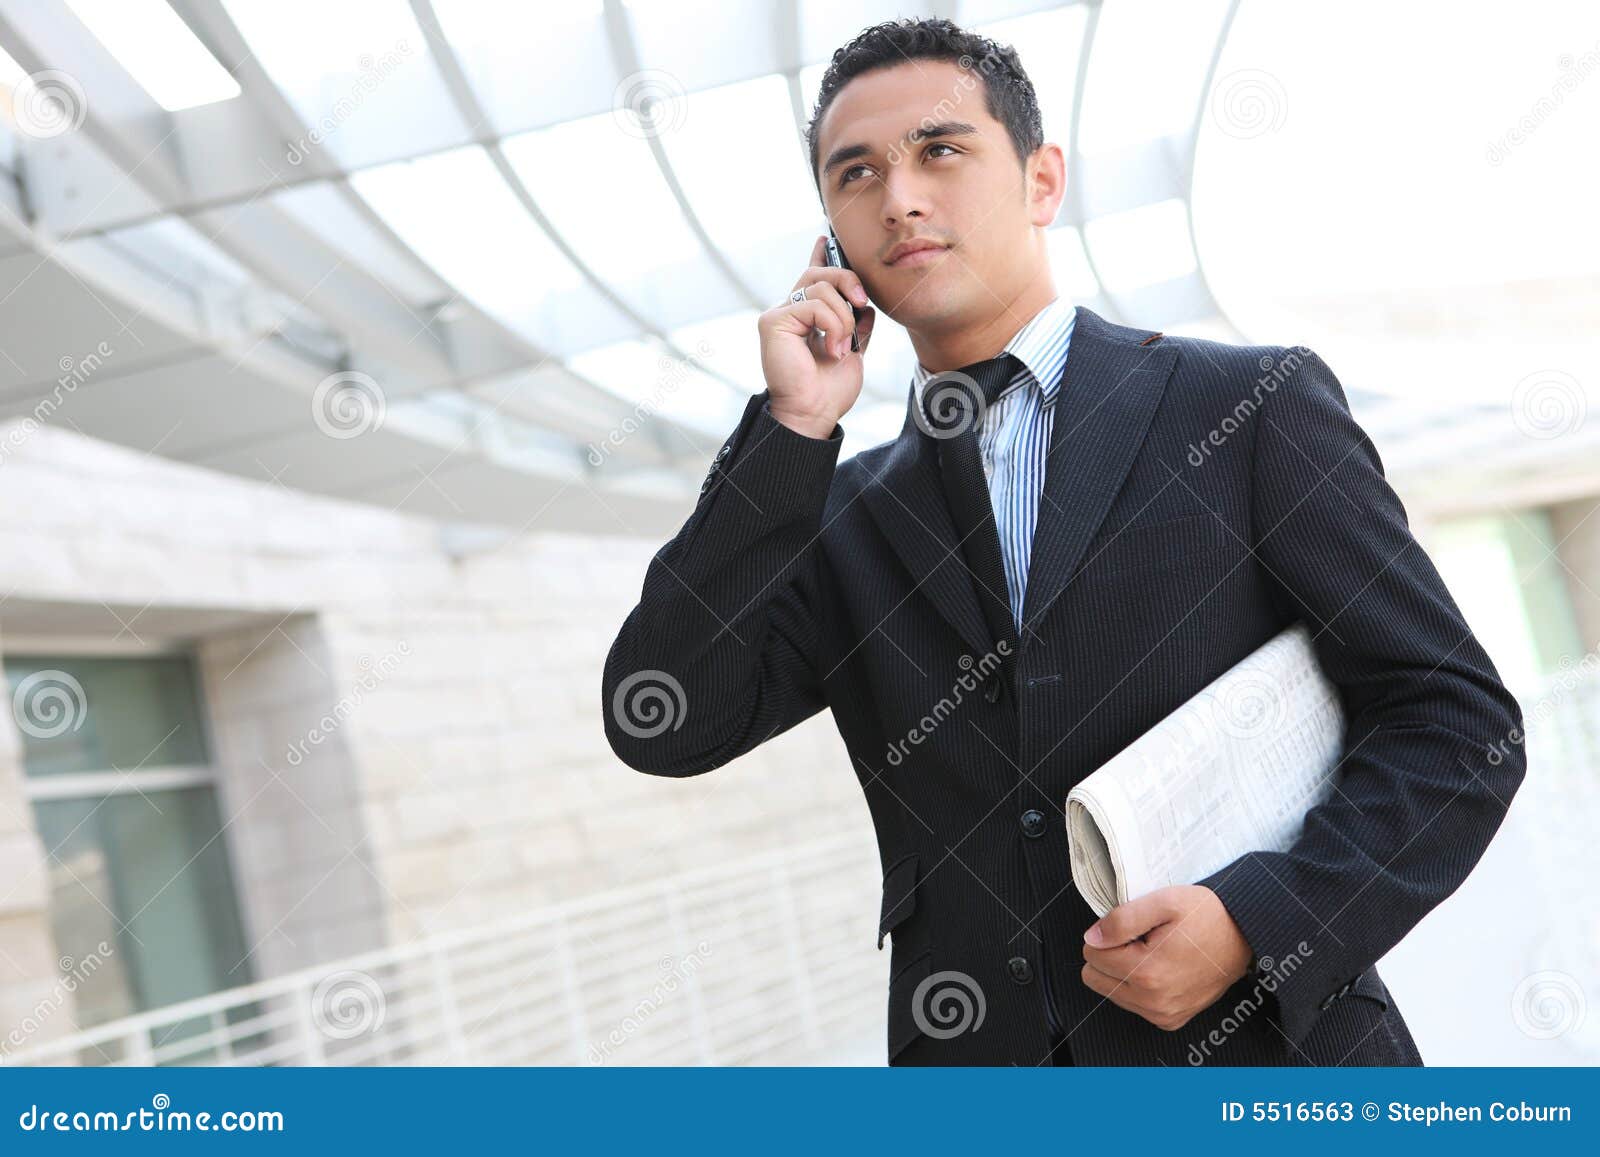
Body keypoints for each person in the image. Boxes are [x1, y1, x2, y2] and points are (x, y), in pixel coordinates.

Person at [602, 17, 1526, 1066]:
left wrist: (1258, 921)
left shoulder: (1245, 407)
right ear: (834, 241)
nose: (899, 198)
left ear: (1042, 180)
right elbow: (664, 717)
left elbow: (1454, 718)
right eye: (856, 174)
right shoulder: (836, 512)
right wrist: (790, 428)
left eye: (939, 150)